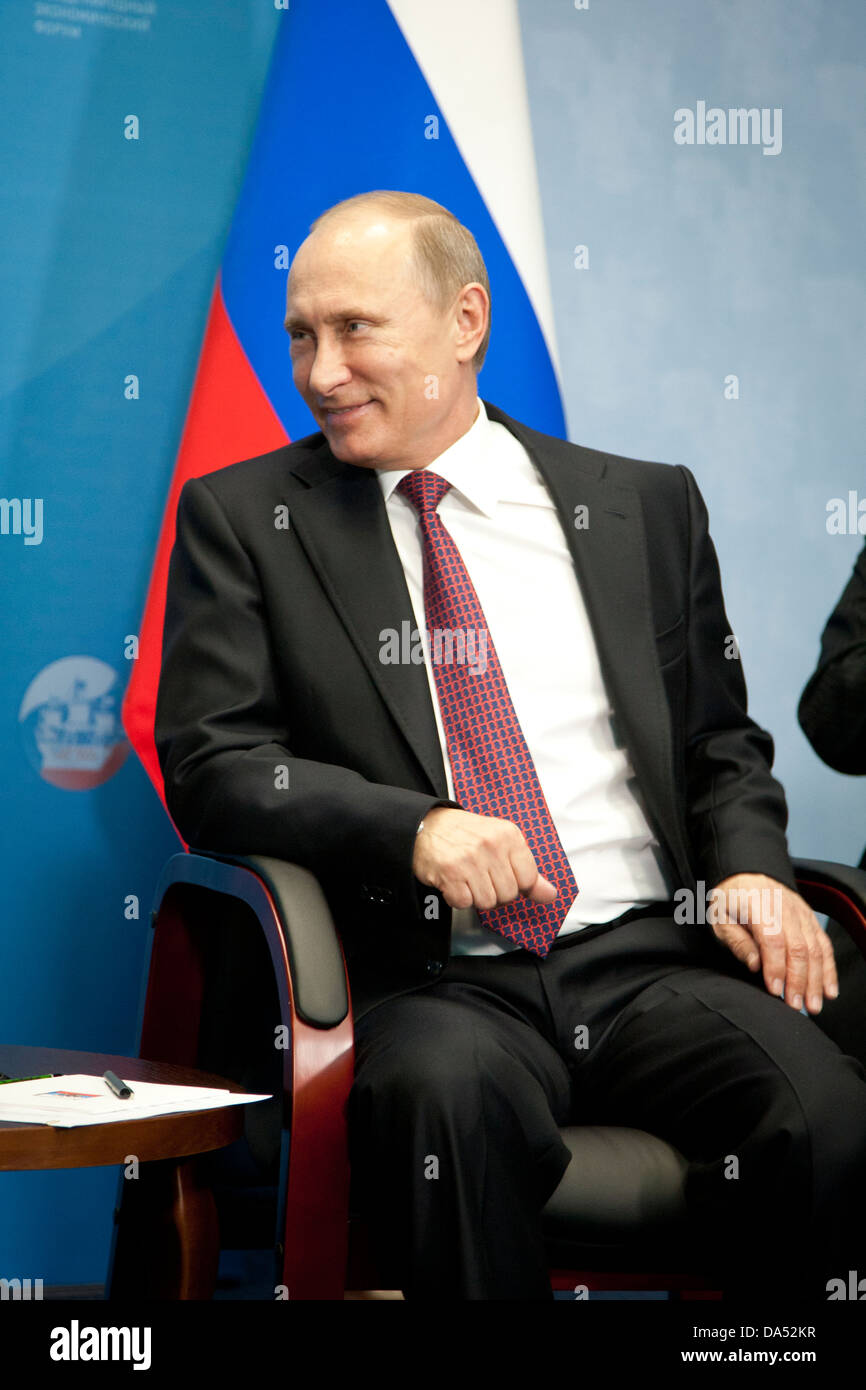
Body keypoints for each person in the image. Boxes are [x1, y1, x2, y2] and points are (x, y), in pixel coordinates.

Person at [155, 190, 866, 1302]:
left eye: (355, 330)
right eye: (300, 334)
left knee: (822, 1111)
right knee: (442, 1100)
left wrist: (751, 871)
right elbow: (215, 765)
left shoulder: (639, 505)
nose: (318, 371)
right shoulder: (248, 518)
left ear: (464, 322)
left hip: (644, 960)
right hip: (438, 982)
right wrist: (415, 828)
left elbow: (718, 740)